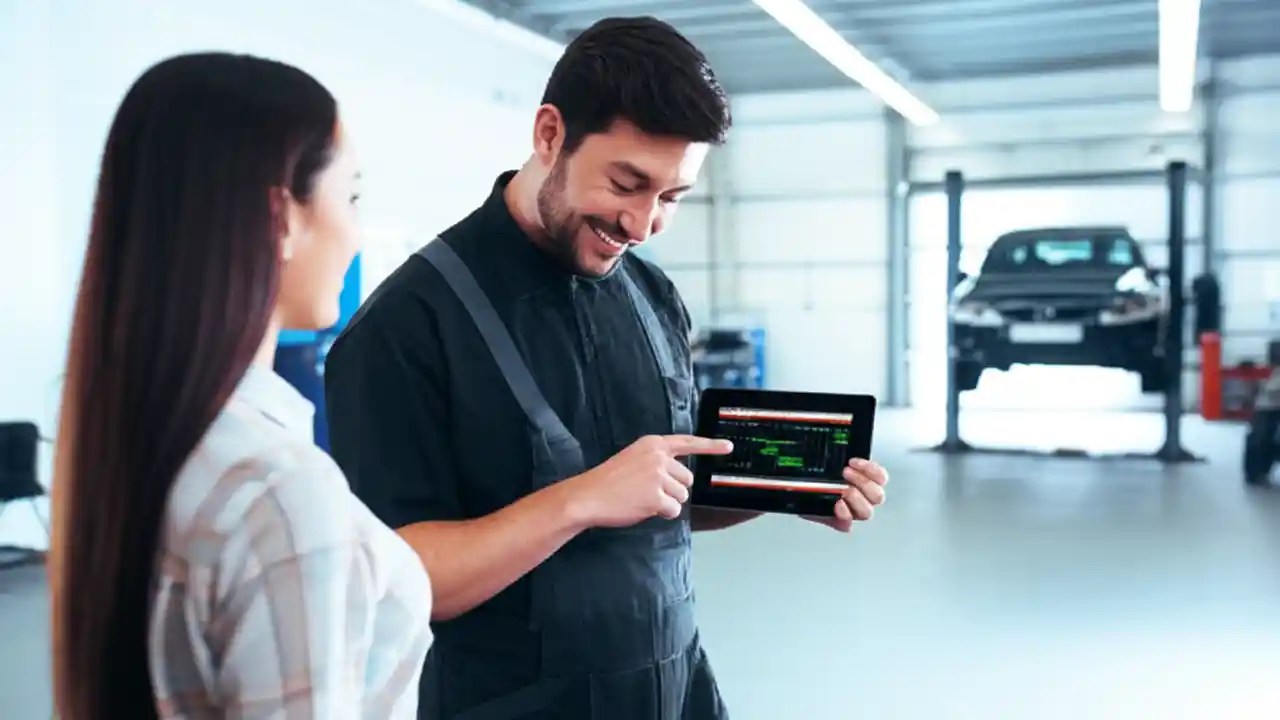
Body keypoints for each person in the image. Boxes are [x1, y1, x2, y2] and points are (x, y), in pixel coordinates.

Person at [325, 16, 889, 719]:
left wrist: (784, 488)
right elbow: (397, 579)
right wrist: (578, 499)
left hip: (676, 690)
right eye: (627, 183)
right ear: (550, 134)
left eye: (671, 197)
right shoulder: (407, 327)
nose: (644, 223)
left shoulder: (653, 299)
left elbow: (665, 501)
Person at [48, 53, 432, 719]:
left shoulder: (127, 439)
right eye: (353, 196)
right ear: (282, 218)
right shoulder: (277, 490)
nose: (355, 231)